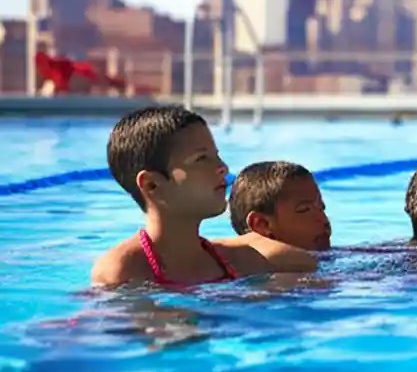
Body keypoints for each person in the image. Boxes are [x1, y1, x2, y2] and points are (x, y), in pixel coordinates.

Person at [91, 106, 317, 287]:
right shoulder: (123, 271)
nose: (222, 167)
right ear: (152, 184)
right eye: (201, 159)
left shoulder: (243, 259)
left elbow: (313, 269)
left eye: (216, 156)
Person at [227, 161, 332, 251]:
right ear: (262, 224)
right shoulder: (277, 272)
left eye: (321, 208)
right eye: (305, 210)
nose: (324, 220)